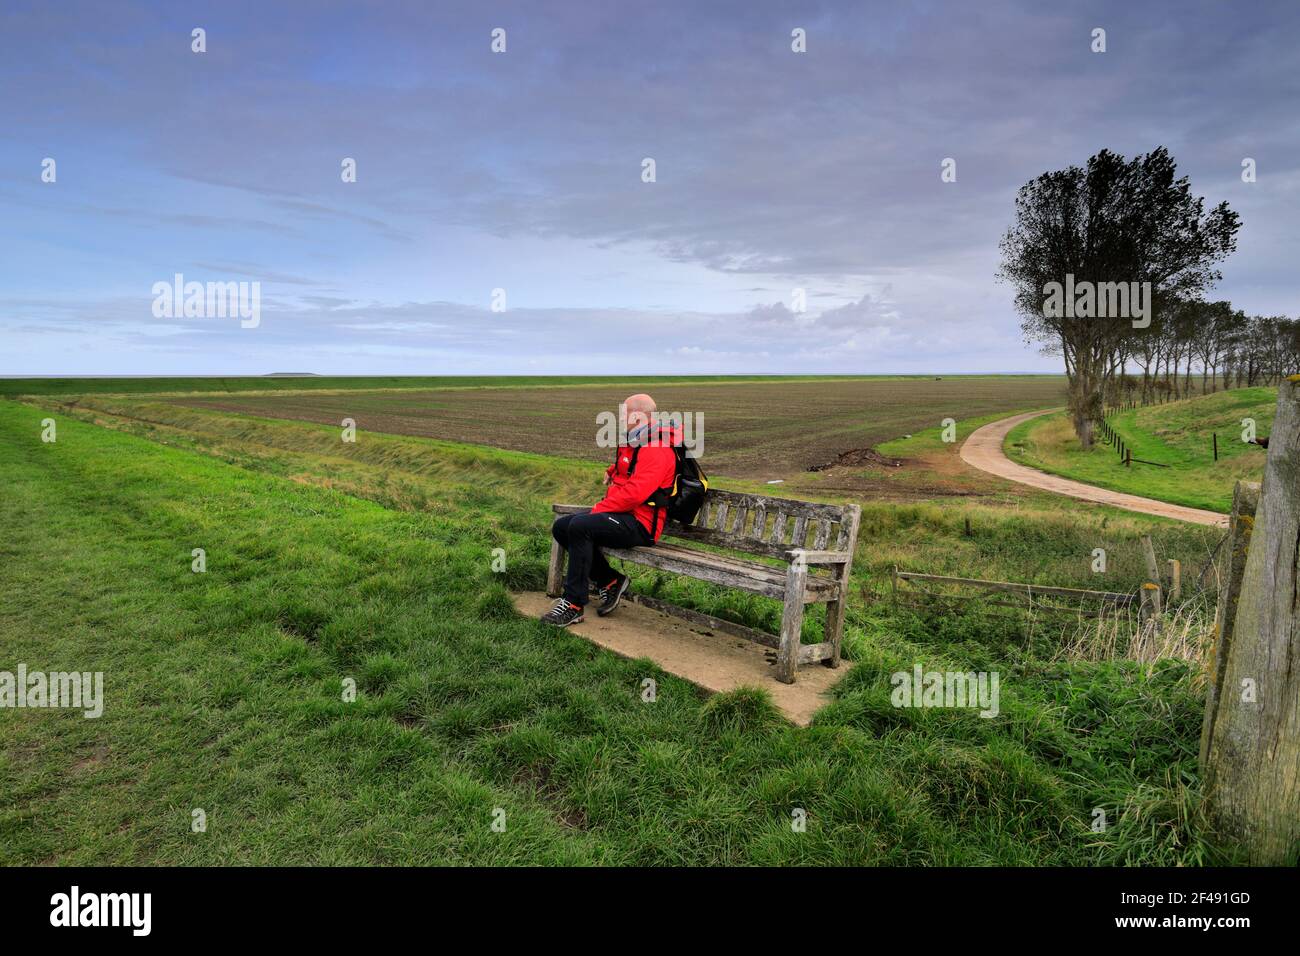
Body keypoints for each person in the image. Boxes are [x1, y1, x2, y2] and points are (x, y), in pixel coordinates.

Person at [541, 393, 678, 627]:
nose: (621, 418)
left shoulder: (657, 447)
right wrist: (612, 469)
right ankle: (610, 581)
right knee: (562, 526)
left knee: (580, 526)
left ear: (637, 415)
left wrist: (599, 509)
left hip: (641, 524)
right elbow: (629, 466)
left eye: (624, 413)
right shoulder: (640, 441)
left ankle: (573, 604)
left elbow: (635, 493)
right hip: (622, 516)